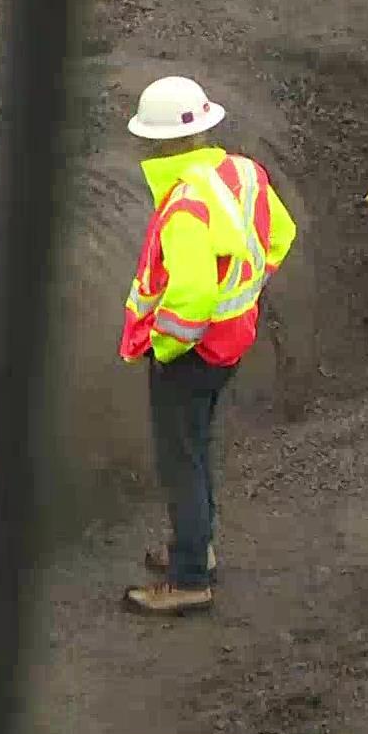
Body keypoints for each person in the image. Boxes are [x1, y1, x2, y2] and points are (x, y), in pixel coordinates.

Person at [118, 76, 297, 616]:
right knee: (194, 448)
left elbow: (190, 297)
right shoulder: (242, 174)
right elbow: (281, 235)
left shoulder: (184, 208)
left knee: (181, 459)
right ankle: (197, 549)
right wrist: (242, 293)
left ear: (155, 143)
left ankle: (191, 577)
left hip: (190, 354)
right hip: (231, 341)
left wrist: (166, 348)